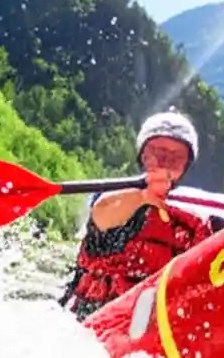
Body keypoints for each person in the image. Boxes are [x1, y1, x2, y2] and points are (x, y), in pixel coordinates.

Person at [57, 110, 213, 322]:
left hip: (153, 321)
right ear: (142, 156)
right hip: (95, 314)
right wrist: (143, 196)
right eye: (157, 152)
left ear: (186, 165)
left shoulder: (195, 219)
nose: (165, 162)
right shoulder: (116, 197)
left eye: (176, 157)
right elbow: (102, 214)